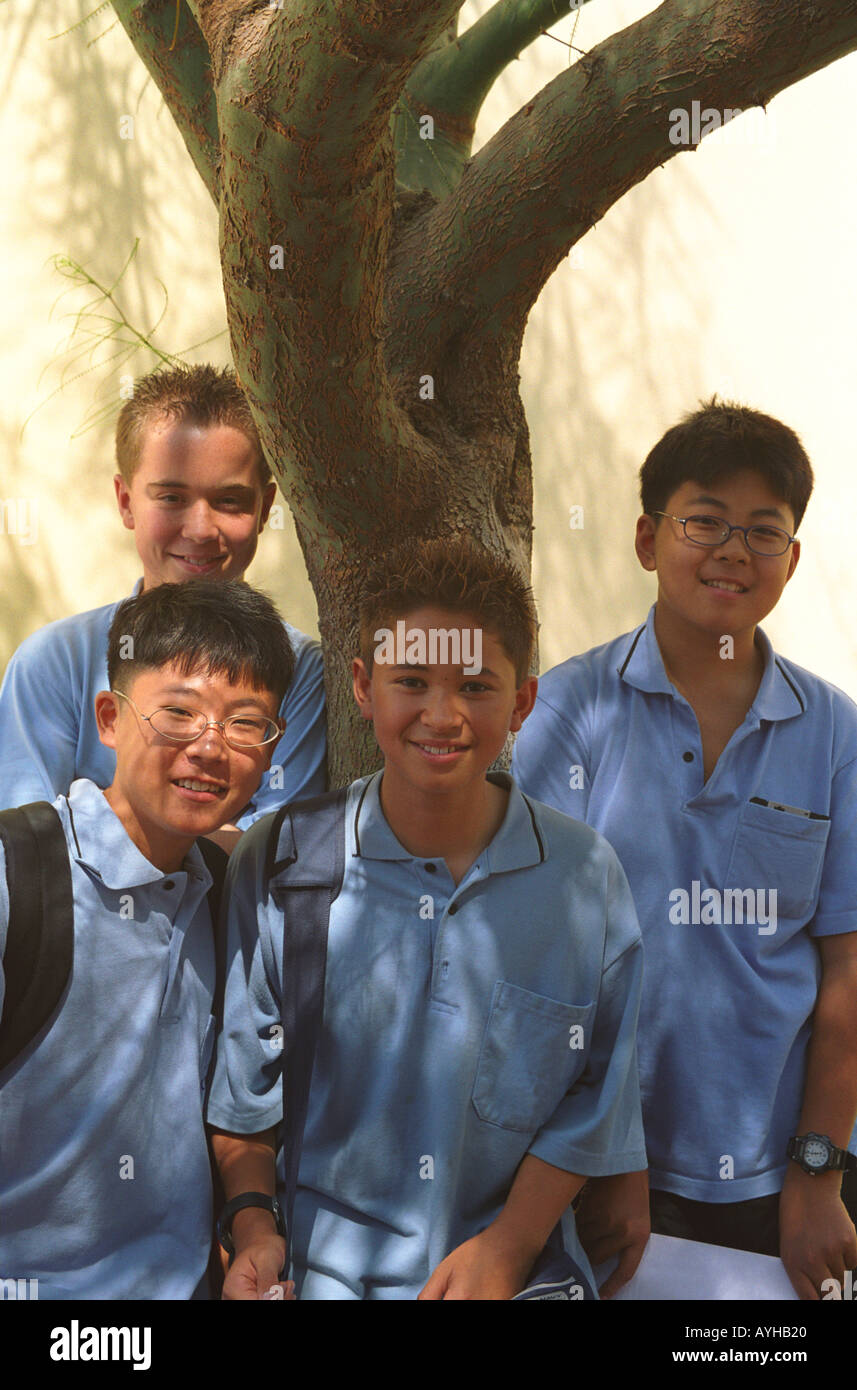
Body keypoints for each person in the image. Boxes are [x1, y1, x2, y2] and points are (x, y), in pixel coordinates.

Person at [206, 537, 647, 1300]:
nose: (440, 716)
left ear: (522, 702)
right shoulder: (284, 862)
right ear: (361, 685)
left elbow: (594, 1093)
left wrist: (508, 1249)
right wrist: (253, 1226)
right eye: (410, 680)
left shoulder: (583, 877)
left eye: (475, 687)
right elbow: (245, 1098)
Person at [512, 400, 857, 1300]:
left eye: (763, 531)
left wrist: (818, 1174)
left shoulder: (834, 733)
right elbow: (541, 966)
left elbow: (845, 973)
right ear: (644, 537)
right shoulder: (567, 713)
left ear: (789, 557)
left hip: (774, 1179)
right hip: (592, 1163)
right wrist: (602, 1157)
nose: (733, 550)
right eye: (703, 520)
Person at [0, 579, 294, 1299]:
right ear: (109, 717)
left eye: (245, 723)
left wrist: (251, 1227)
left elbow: (240, 1108)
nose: (210, 749)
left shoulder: (233, 891)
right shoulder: (19, 877)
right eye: (179, 714)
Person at [0, 365, 326, 834]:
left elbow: (273, 853)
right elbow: (28, 849)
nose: (199, 529)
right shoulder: (57, 662)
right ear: (127, 501)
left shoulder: (299, 670)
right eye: (171, 498)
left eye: (230, 501)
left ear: (265, 508)